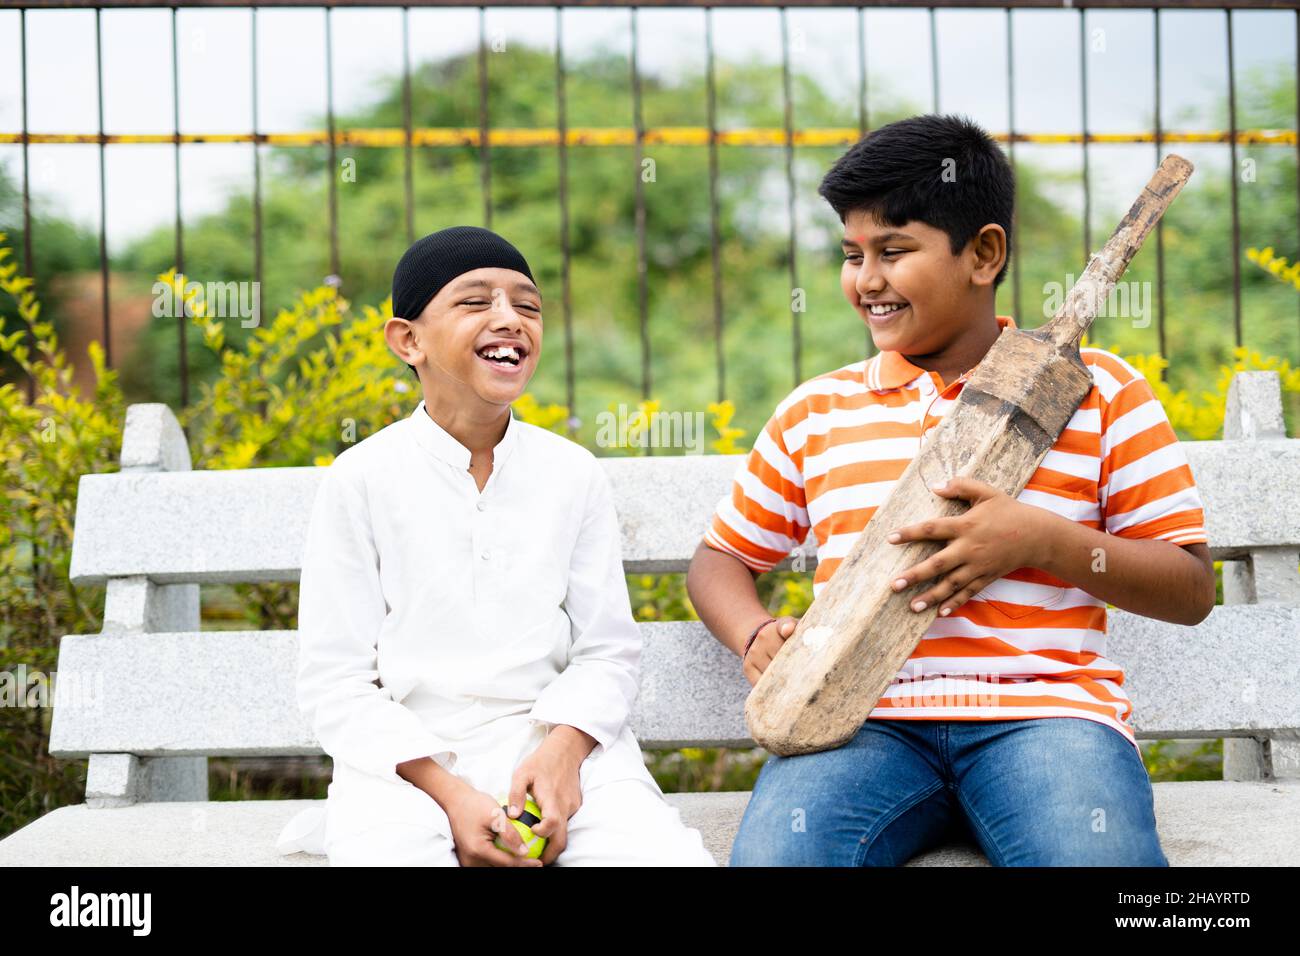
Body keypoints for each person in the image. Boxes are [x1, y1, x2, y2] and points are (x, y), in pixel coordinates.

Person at [686, 114, 1216, 867]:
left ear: (984, 253)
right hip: (858, 720)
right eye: (851, 254)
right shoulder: (819, 411)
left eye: (894, 251)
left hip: (1047, 719)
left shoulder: (1101, 394)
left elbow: (1190, 588)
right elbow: (719, 560)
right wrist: (753, 630)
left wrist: (1042, 540)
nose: (866, 279)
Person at [274, 225, 716, 867]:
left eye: (527, 306)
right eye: (475, 301)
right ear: (409, 340)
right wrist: (451, 797)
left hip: (561, 752)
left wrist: (561, 758)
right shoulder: (361, 479)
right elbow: (335, 681)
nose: (509, 319)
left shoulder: (572, 472)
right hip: (406, 767)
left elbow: (608, 653)